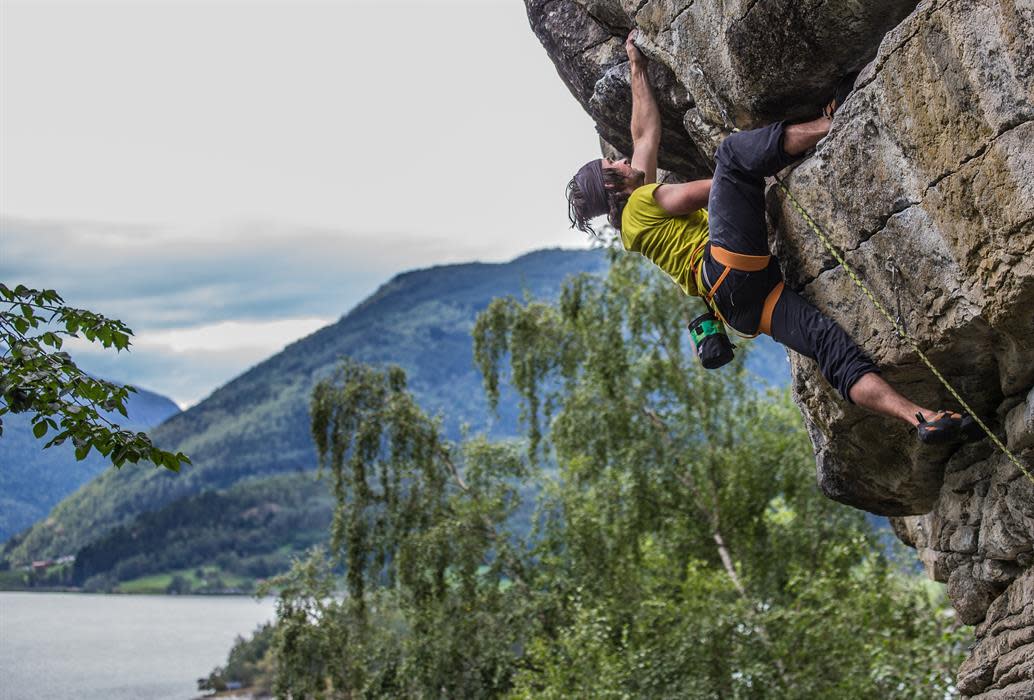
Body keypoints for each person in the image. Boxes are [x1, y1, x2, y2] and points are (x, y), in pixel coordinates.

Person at [566, 31, 978, 445]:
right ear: (613, 187)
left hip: (739, 305)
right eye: (613, 165)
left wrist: (637, 65)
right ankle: (829, 122)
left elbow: (643, 135)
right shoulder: (642, 202)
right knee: (732, 157)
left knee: (826, 344)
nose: (622, 159)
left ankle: (920, 418)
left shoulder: (631, 223)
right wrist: (745, 179)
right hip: (728, 263)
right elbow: (712, 188)